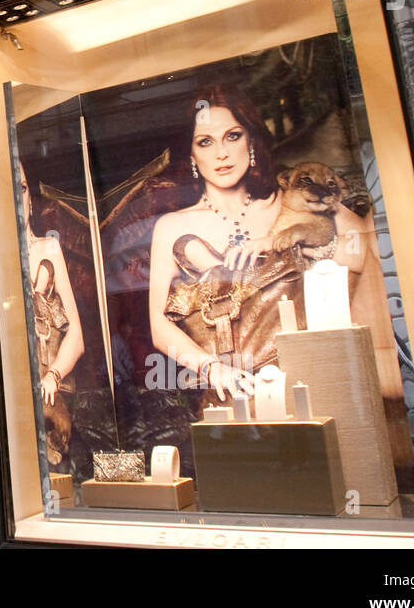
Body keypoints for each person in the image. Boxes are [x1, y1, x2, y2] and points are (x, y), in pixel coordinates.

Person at [147, 85, 368, 402]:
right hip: (231, 394)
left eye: (233, 136)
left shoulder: (289, 202)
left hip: (315, 380)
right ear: (192, 154)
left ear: (251, 140)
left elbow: (371, 255)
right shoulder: (171, 227)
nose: (221, 153)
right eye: (206, 142)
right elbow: (159, 325)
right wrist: (211, 369)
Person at [18, 161, 85, 465]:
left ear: (30, 196)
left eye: (20, 188)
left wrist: (54, 376)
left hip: (53, 397)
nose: (17, 199)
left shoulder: (49, 249)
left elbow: (76, 334)